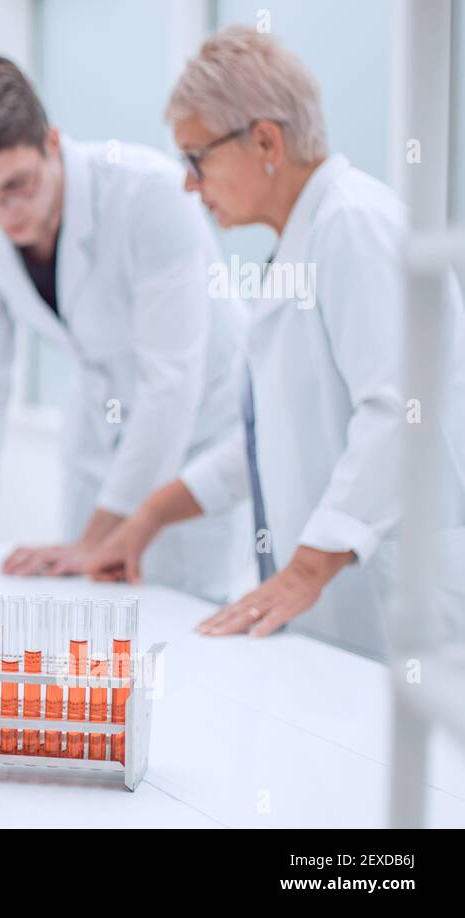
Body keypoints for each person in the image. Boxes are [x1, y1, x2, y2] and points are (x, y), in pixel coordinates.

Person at [85, 26, 465, 658]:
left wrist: (308, 568)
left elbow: (399, 416)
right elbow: (270, 440)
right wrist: (149, 516)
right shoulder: (301, 242)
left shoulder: (354, 224)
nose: (188, 184)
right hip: (343, 615)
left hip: (398, 601)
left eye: (195, 158)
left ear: (265, 140)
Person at [0, 57, 246, 600]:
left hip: (198, 437)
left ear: (51, 142)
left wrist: (97, 537)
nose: (5, 214)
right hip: (99, 441)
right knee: (86, 613)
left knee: (181, 626)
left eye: (17, 186)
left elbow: (170, 381)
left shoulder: (149, 195)